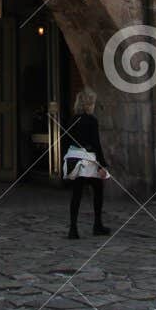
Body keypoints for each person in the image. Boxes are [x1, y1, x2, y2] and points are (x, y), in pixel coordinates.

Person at [62, 88, 111, 238]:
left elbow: (65, 141)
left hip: (74, 159)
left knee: (76, 194)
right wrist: (103, 164)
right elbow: (96, 143)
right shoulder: (91, 120)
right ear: (89, 104)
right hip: (88, 160)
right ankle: (97, 224)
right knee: (98, 190)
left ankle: (73, 229)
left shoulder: (72, 120)